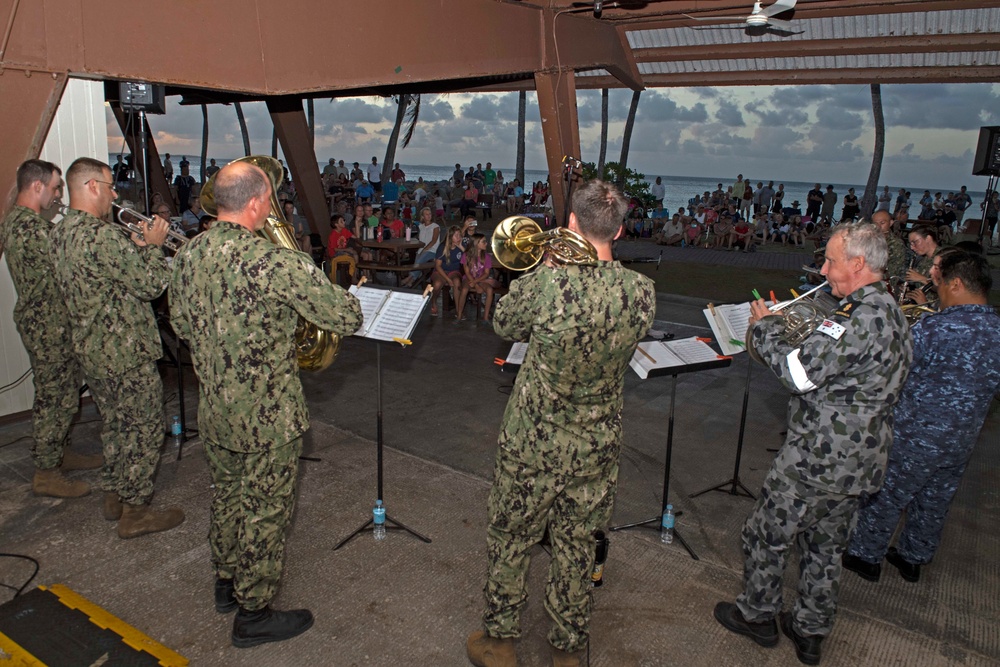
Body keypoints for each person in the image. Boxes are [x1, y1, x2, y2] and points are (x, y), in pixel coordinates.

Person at [169, 160, 363, 648]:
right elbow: (343, 314)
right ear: (258, 204)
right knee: (265, 511)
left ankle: (225, 583)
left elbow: (182, 326)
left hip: (214, 408)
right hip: (268, 417)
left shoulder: (189, 256)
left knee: (227, 495)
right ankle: (253, 612)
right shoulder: (276, 262)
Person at [467, 179, 656, 667]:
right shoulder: (641, 293)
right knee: (577, 544)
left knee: (511, 536)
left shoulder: (547, 284)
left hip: (534, 441)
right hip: (595, 445)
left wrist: (544, 270)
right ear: (618, 228)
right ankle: (568, 647)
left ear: (571, 223)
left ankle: (500, 640)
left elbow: (503, 324)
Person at [714, 222, 911, 666]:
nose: (823, 268)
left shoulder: (858, 317)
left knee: (765, 535)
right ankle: (810, 630)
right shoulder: (891, 310)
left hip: (817, 459)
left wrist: (765, 329)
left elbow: (799, 375)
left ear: (859, 264)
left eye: (831, 261)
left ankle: (758, 615)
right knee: (825, 548)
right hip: (860, 461)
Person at [844, 252, 1000, 584]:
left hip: (916, 435)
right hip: (962, 440)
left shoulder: (936, 326)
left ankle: (864, 555)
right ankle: (912, 557)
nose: (936, 287)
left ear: (956, 283)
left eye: (939, 281)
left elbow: (894, 370)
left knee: (885, 495)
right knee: (935, 499)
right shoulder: (997, 330)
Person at [50, 157, 185, 538]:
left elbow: (109, 279)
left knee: (114, 425)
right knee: (143, 428)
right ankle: (136, 511)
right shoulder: (102, 236)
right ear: (91, 187)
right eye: (110, 187)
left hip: (92, 351)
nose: (115, 195)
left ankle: (115, 492)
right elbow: (150, 285)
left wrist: (137, 247)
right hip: (124, 351)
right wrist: (154, 246)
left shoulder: (61, 233)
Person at [0, 159, 103, 498]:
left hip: (46, 321)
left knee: (62, 391)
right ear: (37, 186)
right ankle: (46, 471)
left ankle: (59, 452)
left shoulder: (16, 222)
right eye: (56, 187)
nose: (59, 195)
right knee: (54, 396)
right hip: (49, 325)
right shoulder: (33, 229)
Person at [455, 233, 500, 323]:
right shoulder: (466, 255)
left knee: (489, 290)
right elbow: (467, 272)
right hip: (468, 278)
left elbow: (486, 273)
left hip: (480, 279)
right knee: (464, 290)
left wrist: (476, 282)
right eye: (483, 242)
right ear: (476, 243)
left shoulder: (486, 257)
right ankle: (459, 314)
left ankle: (485, 317)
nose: (486, 243)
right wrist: (476, 285)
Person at [401, 206, 440, 288]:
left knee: (422, 256)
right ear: (423, 216)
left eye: (429, 214)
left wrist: (425, 249)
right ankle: (412, 280)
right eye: (426, 214)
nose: (429, 216)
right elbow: (419, 238)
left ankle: (409, 277)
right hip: (421, 249)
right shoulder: (421, 227)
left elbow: (434, 240)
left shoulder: (435, 226)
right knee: (418, 259)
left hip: (433, 250)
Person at [430, 225, 463, 317]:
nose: (458, 238)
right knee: (437, 284)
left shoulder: (461, 246)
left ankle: (458, 309)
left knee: (457, 282)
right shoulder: (442, 247)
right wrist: (447, 279)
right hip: (441, 270)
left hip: (454, 271)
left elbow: (470, 259)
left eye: (460, 235)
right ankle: (433, 301)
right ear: (450, 237)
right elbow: (438, 265)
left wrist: (461, 247)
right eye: (456, 235)